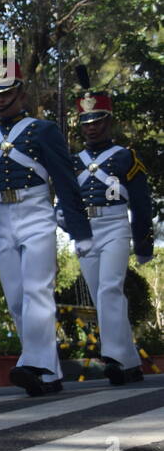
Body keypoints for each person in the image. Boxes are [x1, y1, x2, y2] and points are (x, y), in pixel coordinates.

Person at [0, 56, 92, 396]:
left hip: (36, 210)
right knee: (15, 298)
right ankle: (48, 372)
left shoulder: (43, 130)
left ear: (20, 93)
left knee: (37, 291)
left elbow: (65, 180)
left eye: (5, 92)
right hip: (3, 215)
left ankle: (34, 363)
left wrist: (79, 230)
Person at [72, 83, 153, 385]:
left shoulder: (125, 157)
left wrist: (143, 242)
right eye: (86, 122)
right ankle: (129, 361)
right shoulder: (74, 160)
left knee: (109, 290)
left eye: (97, 121)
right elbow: (66, 200)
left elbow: (142, 202)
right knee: (101, 295)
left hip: (115, 225)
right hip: (85, 230)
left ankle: (115, 358)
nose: (91, 128)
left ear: (108, 120)